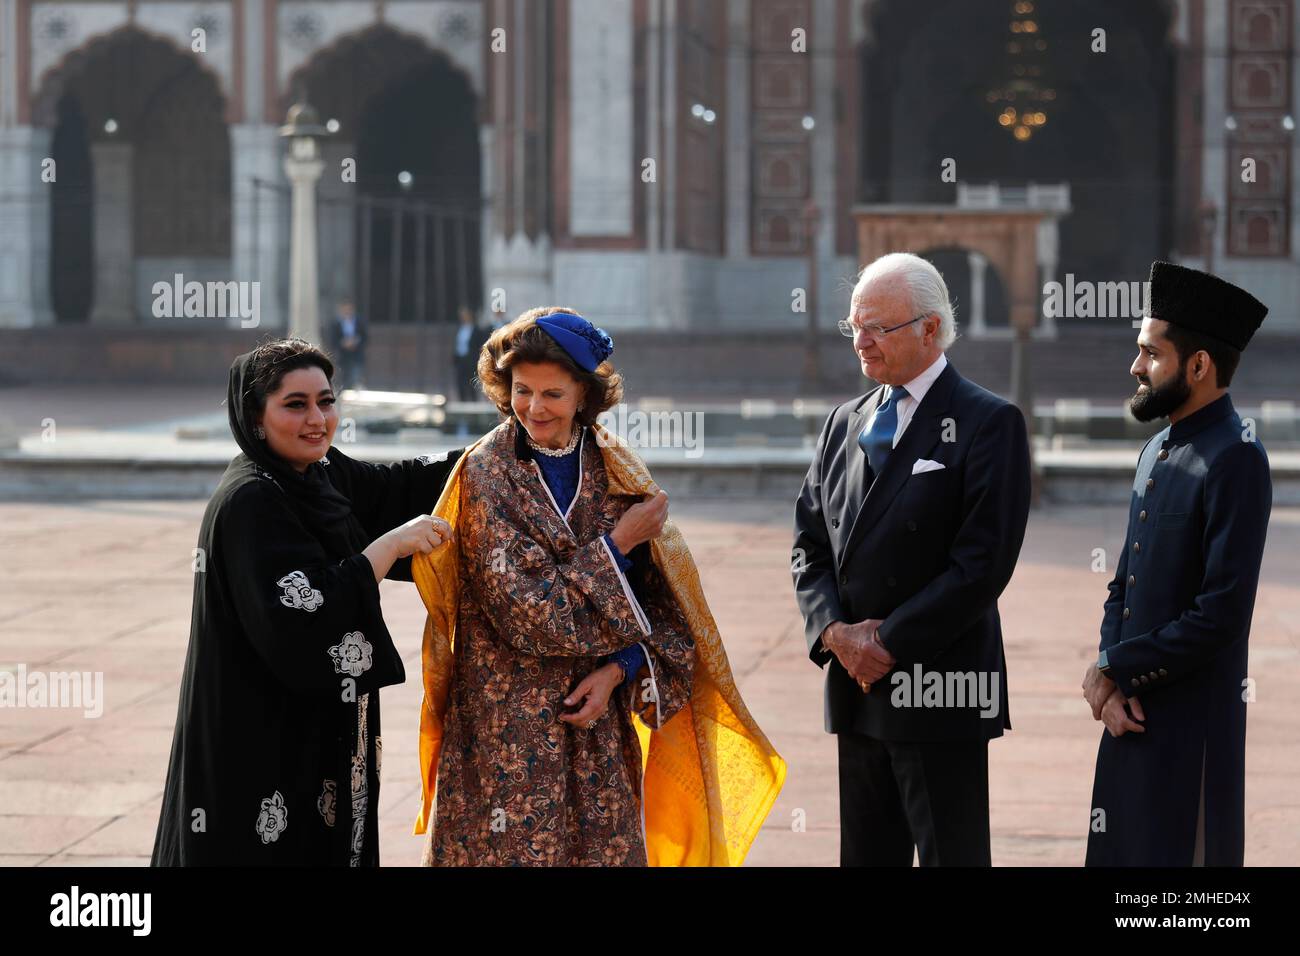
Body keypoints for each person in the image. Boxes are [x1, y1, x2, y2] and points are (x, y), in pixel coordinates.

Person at [410, 307, 785, 866]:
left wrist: (619, 670)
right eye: (522, 391)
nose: (534, 408)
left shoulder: (617, 469)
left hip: (597, 731)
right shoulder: (485, 473)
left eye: (552, 395)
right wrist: (620, 544)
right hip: (503, 729)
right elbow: (531, 613)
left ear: (585, 395)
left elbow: (666, 609)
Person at [151, 338, 462, 866]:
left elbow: (397, 486)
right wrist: (387, 548)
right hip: (261, 731)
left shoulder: (316, 475)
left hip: (314, 728)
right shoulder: (252, 498)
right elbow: (300, 612)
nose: (316, 418)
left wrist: (500, 447)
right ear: (255, 418)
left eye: (326, 400)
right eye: (295, 405)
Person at [792, 252, 1031, 866]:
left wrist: (887, 644)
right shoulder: (845, 422)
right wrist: (836, 634)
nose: (861, 343)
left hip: (938, 685)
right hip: (856, 683)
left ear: (930, 328)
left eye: (877, 327)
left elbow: (982, 566)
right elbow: (810, 544)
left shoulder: (988, 421)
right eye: (853, 327)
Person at [1083, 261, 1272, 867]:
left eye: (1150, 353)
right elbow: (1123, 583)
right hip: (1128, 715)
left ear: (1198, 365)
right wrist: (1110, 680)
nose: (1136, 367)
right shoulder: (1157, 448)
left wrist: (1116, 664)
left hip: (1191, 733)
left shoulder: (1236, 458)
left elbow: (1220, 615)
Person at [452, 305, 491, 401]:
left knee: (471, 381)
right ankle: (462, 401)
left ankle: (473, 401)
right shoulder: (460, 329)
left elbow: (480, 345)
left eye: (465, 315)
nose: (463, 317)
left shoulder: (476, 330)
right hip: (461, 359)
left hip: (471, 359)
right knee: (460, 381)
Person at [328, 297, 367, 390]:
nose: (347, 311)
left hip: (356, 353)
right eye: (345, 309)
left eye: (349, 309)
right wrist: (343, 343)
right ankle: (345, 390)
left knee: (356, 374)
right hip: (342, 354)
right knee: (343, 375)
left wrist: (355, 342)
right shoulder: (336, 323)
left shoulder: (359, 321)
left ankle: (355, 388)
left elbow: (365, 336)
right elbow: (333, 339)